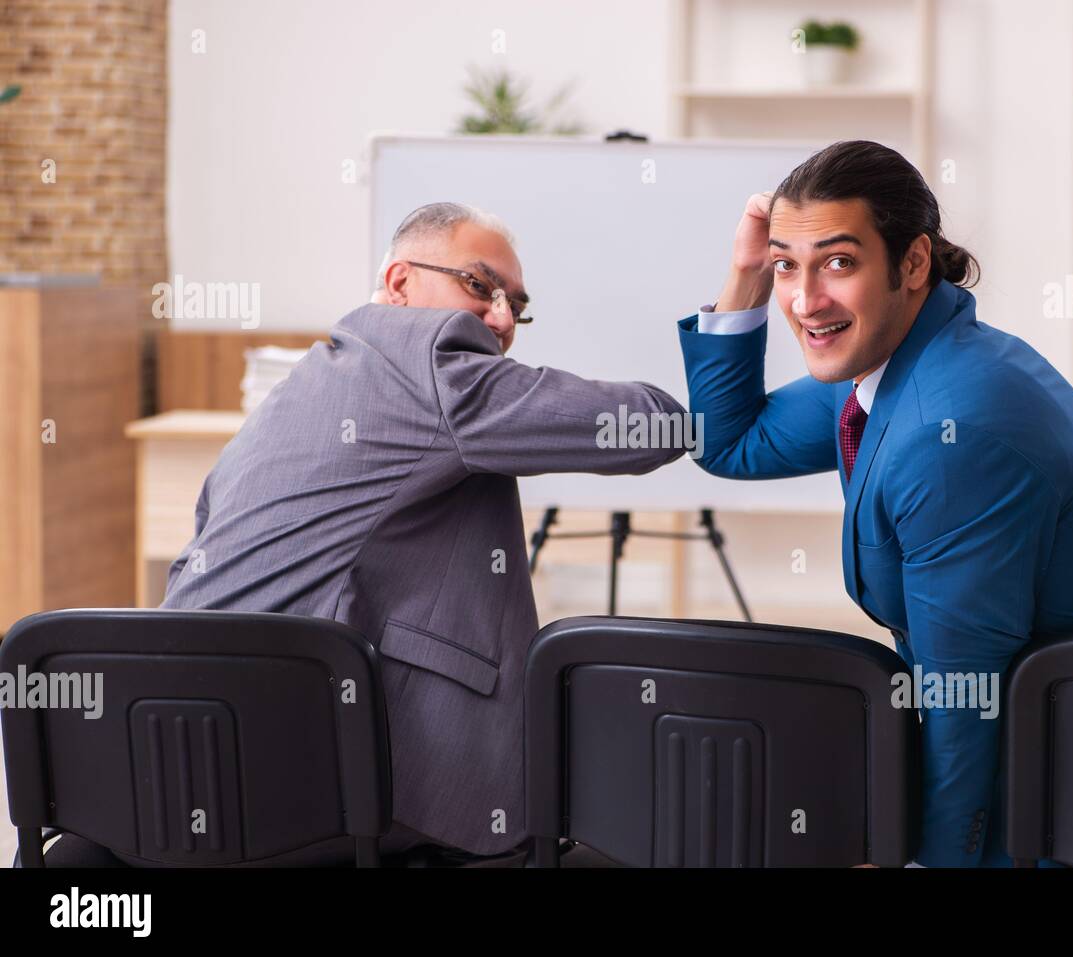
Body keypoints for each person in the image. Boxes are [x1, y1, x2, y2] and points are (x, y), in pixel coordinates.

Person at [677, 140, 1073, 867]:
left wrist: (930, 861)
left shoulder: (948, 429)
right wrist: (746, 271)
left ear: (912, 263)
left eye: (838, 262)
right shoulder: (893, 361)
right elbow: (729, 442)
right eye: (786, 266)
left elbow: (965, 696)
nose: (806, 300)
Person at [162, 202, 688, 862]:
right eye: (479, 284)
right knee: (615, 816)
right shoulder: (436, 364)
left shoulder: (289, 395)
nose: (500, 318)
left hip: (166, 768)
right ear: (400, 282)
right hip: (303, 787)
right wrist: (734, 313)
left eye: (516, 305)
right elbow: (653, 424)